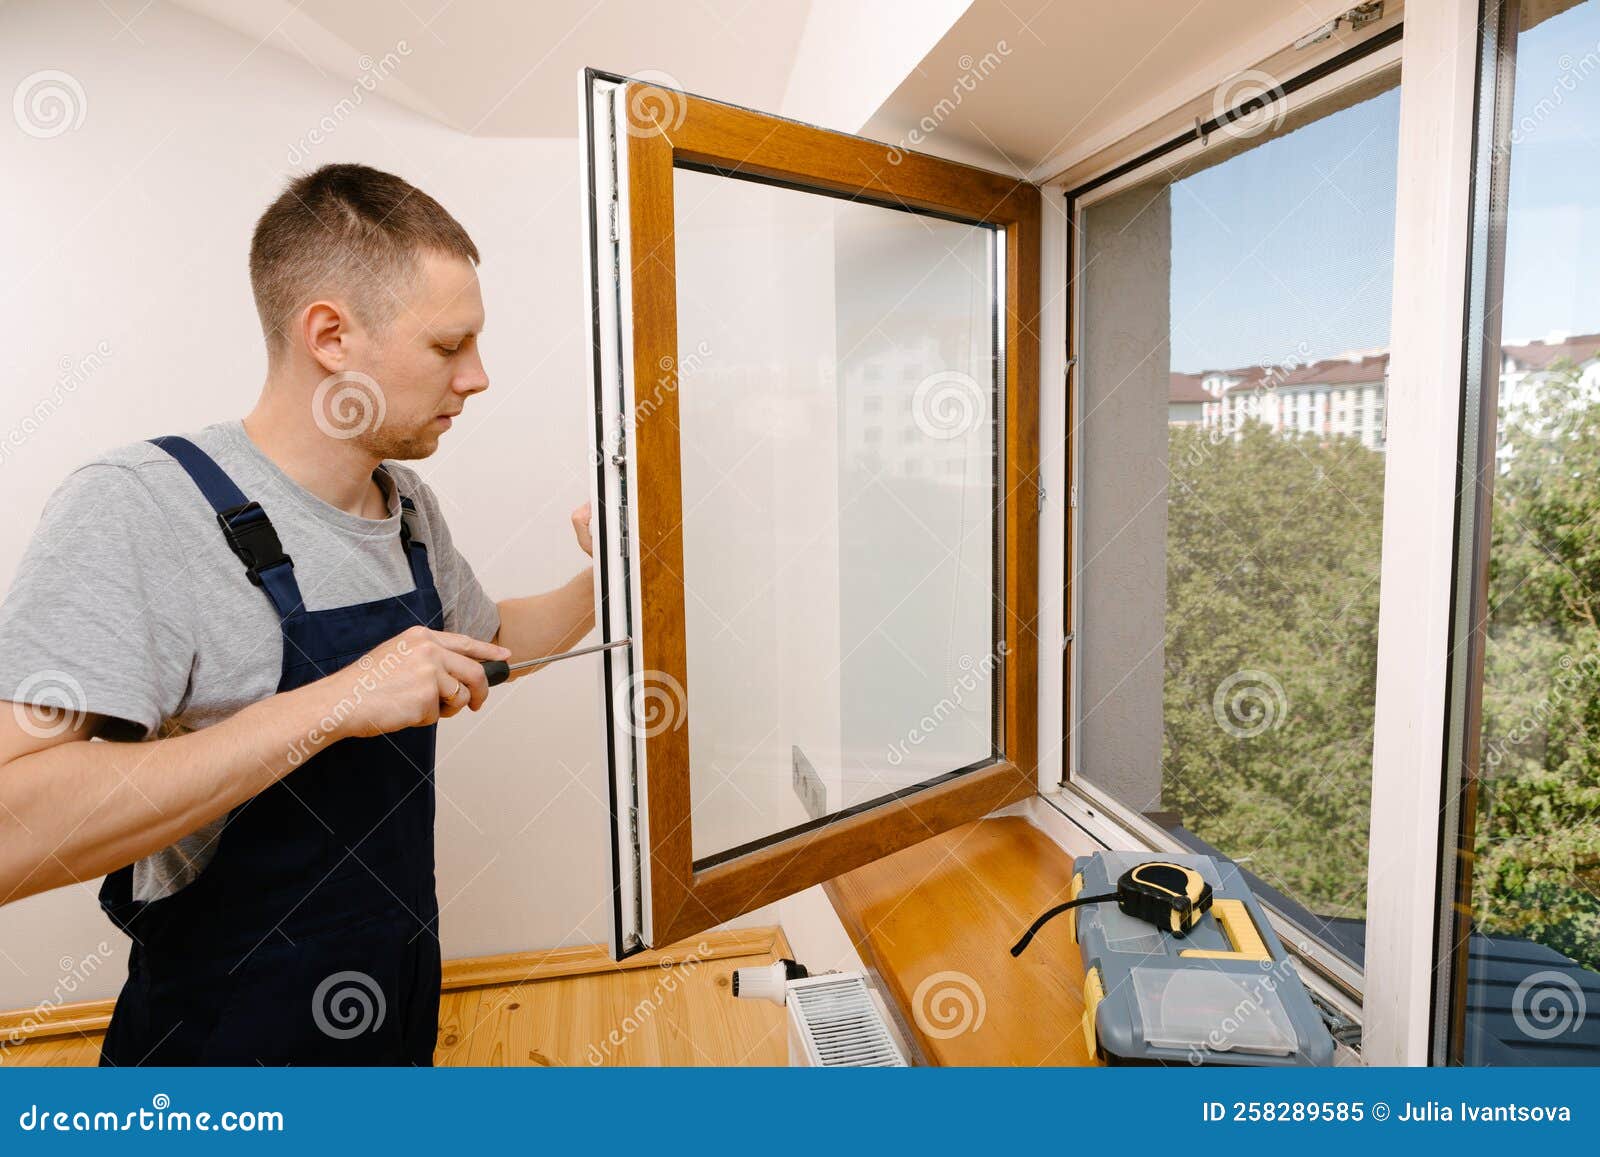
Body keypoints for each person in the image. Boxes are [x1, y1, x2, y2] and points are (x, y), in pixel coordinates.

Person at [0, 163, 594, 1066]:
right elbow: (10, 828)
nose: (477, 377)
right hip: (220, 1052)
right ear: (330, 335)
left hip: (392, 1009)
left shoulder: (405, 503)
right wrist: (333, 703)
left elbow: (490, 643)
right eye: (447, 346)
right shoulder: (141, 508)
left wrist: (618, 577)